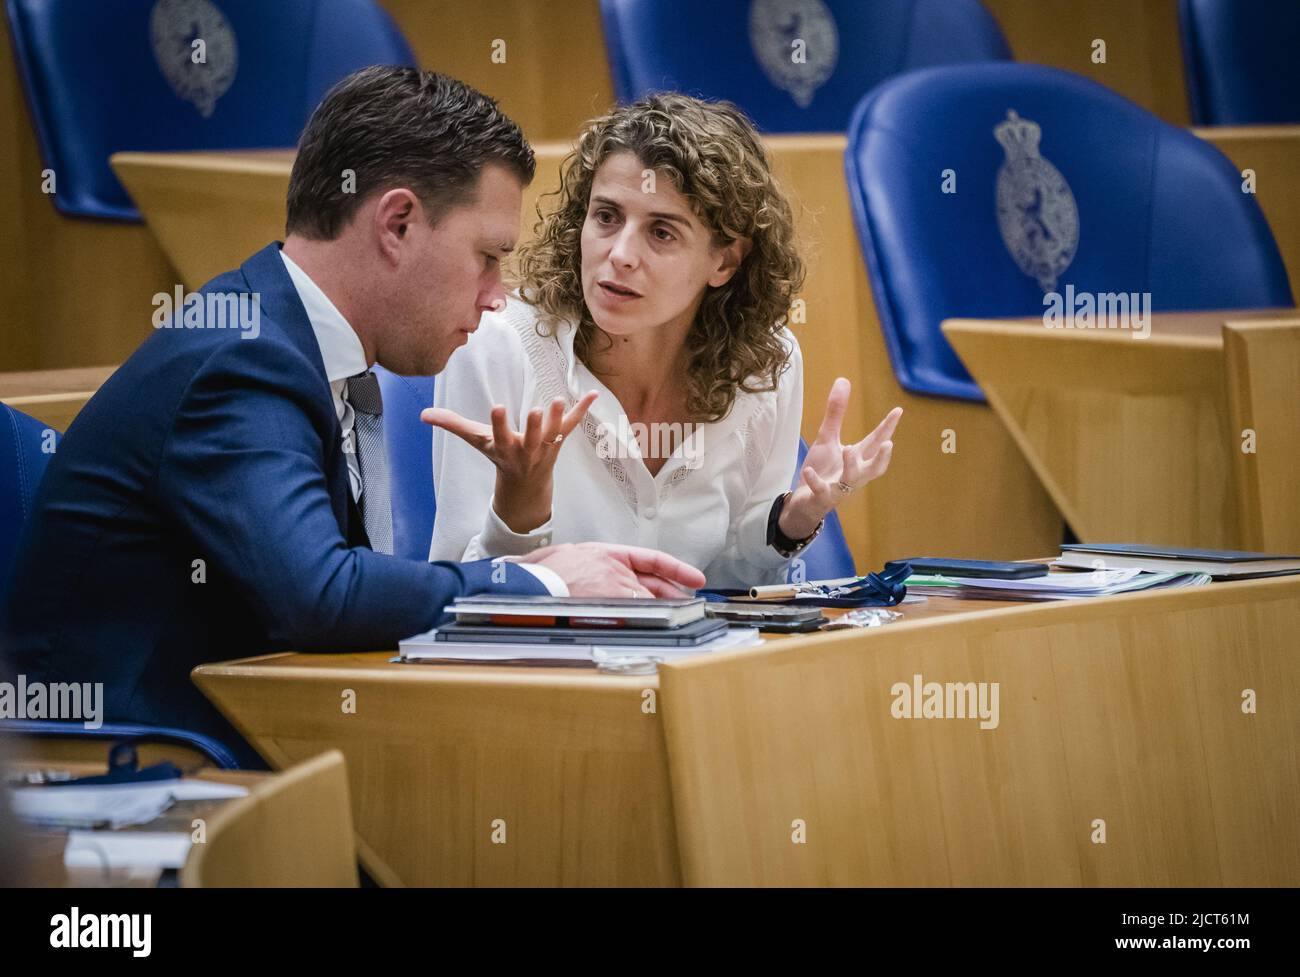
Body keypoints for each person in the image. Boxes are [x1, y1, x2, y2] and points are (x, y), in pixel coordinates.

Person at [0, 68, 703, 766]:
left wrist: (536, 570)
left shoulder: (302, 346)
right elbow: (321, 595)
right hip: (124, 769)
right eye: (487, 258)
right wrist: (546, 583)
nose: (497, 297)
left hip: (244, 745)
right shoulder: (241, 361)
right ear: (396, 223)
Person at [426, 93, 902, 588]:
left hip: (694, 661)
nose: (621, 254)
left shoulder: (766, 366)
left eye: (661, 232)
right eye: (607, 217)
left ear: (724, 262)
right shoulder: (498, 344)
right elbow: (460, 590)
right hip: (546, 664)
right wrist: (519, 508)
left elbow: (725, 584)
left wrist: (791, 524)